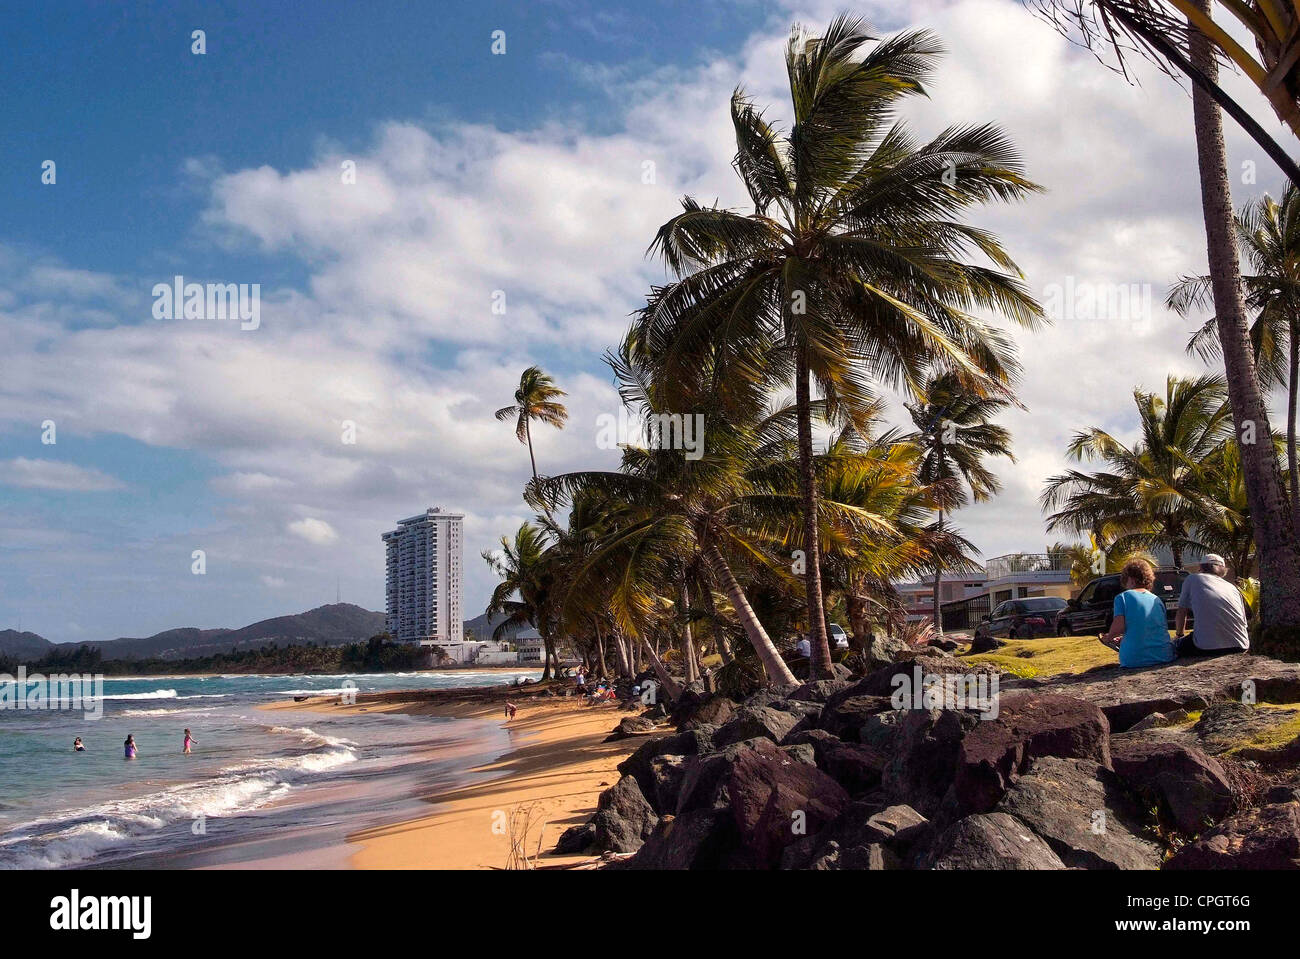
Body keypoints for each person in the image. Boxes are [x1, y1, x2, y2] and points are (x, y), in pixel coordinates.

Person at [1098, 559, 1175, 667]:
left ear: (1131, 579)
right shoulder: (1157, 599)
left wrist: (1109, 637)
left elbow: (1118, 628)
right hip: (1164, 655)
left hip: (1135, 660)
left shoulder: (1122, 597)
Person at [1175, 554, 1249, 656]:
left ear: (1201, 567)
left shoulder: (1192, 579)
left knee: (1176, 645)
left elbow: (1182, 611)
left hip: (1206, 647)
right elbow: (1244, 623)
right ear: (1223, 570)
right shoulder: (1232, 588)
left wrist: (1179, 635)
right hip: (1240, 645)